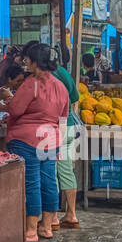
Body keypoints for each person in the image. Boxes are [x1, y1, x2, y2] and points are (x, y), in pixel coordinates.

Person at [5, 42, 68, 242]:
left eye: (28, 60)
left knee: (31, 183)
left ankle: (31, 231)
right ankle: (46, 227)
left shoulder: (31, 83)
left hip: (28, 139)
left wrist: (7, 100)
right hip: (51, 138)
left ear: (34, 62)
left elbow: (15, 110)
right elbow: (63, 117)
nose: (26, 63)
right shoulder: (61, 86)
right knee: (49, 181)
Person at [49, 44, 80, 229]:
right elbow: (75, 97)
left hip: (55, 128)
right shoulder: (63, 72)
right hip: (67, 126)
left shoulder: (45, 76)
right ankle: (72, 214)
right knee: (66, 170)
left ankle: (52, 218)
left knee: (51, 171)